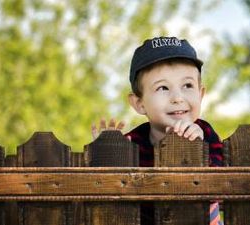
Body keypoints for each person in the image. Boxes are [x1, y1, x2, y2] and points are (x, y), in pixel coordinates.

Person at [92, 36, 223, 225]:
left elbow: (218, 188)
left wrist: (200, 146)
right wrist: (105, 155)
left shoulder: (206, 133)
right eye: (163, 88)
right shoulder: (132, 143)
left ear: (201, 94)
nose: (177, 98)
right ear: (139, 103)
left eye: (187, 85)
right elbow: (108, 193)